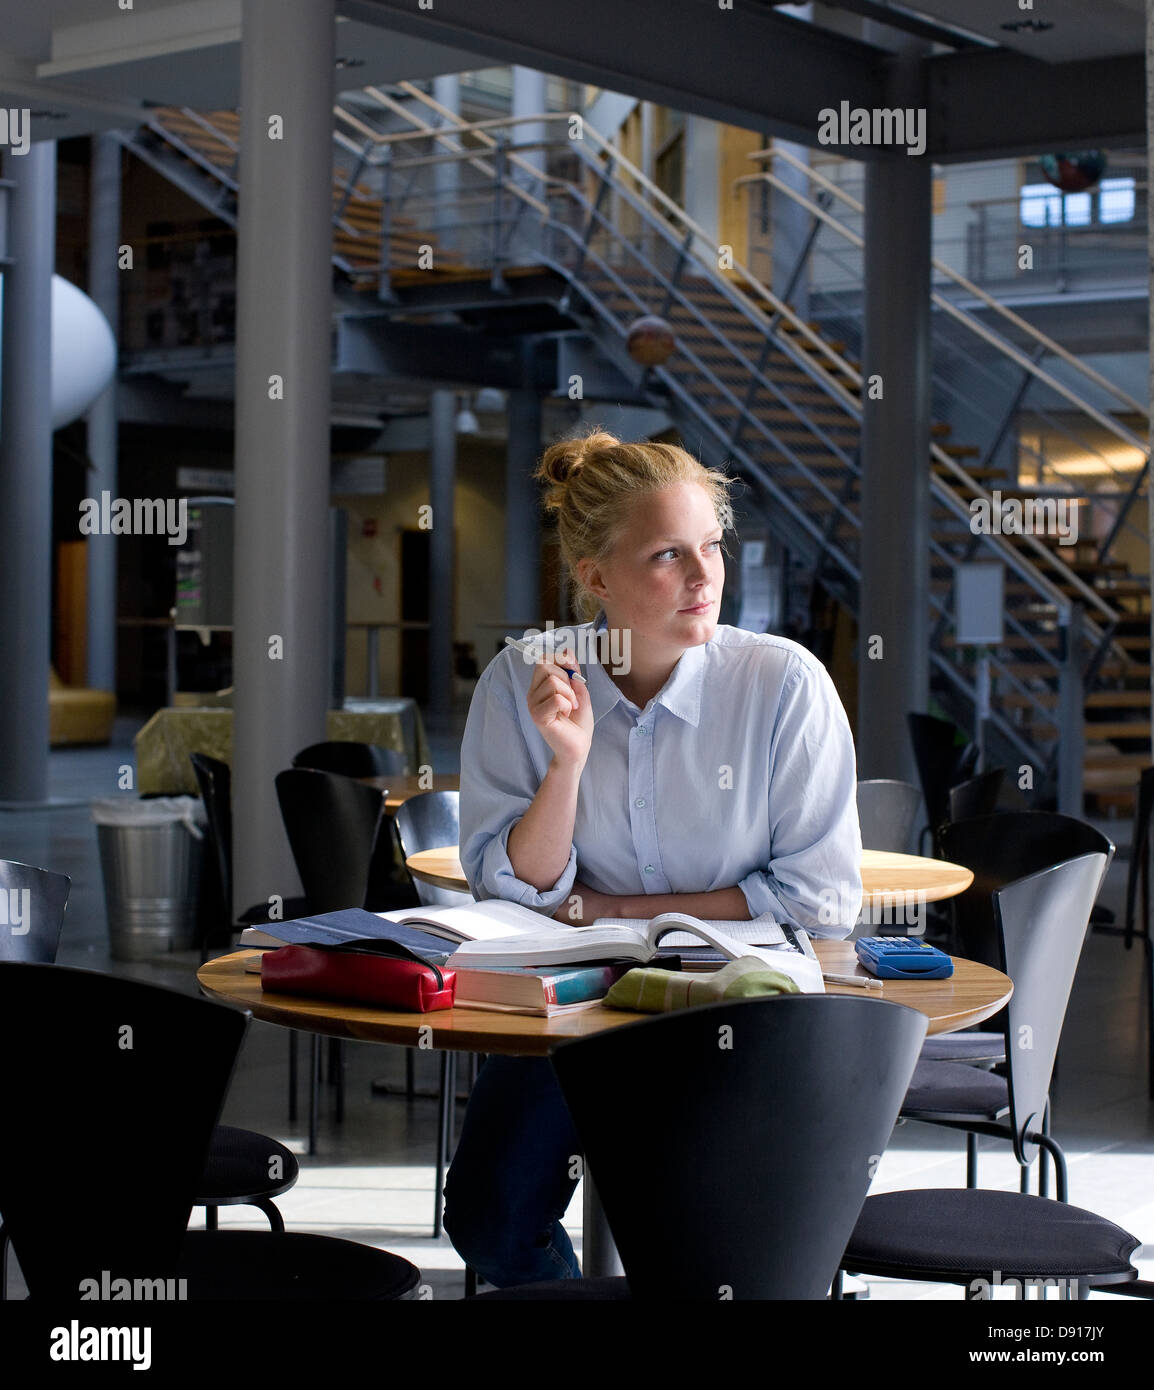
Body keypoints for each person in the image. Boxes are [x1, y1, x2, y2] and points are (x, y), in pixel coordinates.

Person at [442, 427, 862, 1288]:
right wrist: (566, 762)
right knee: (489, 1216)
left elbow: (817, 904)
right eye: (670, 555)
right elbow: (509, 889)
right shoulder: (524, 680)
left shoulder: (783, 685)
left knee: (703, 1245)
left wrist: (604, 911)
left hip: (739, 1012)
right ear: (596, 578)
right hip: (574, 1011)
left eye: (711, 545)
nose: (707, 577)